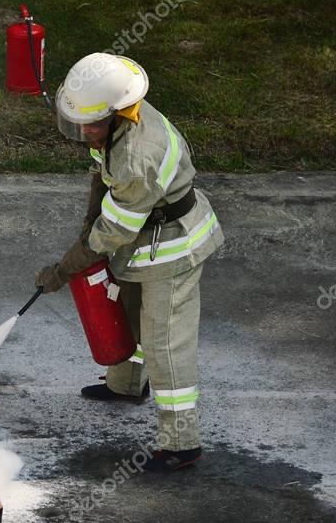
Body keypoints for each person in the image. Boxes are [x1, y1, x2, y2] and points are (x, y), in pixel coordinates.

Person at [35, 53, 224, 473]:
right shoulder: (120, 121)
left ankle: (181, 443)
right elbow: (102, 179)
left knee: (165, 343)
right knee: (127, 309)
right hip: (145, 238)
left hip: (173, 247)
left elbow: (110, 235)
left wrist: (64, 269)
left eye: (91, 125)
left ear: (117, 114)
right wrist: (88, 220)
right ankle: (126, 386)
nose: (85, 133)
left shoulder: (138, 157)